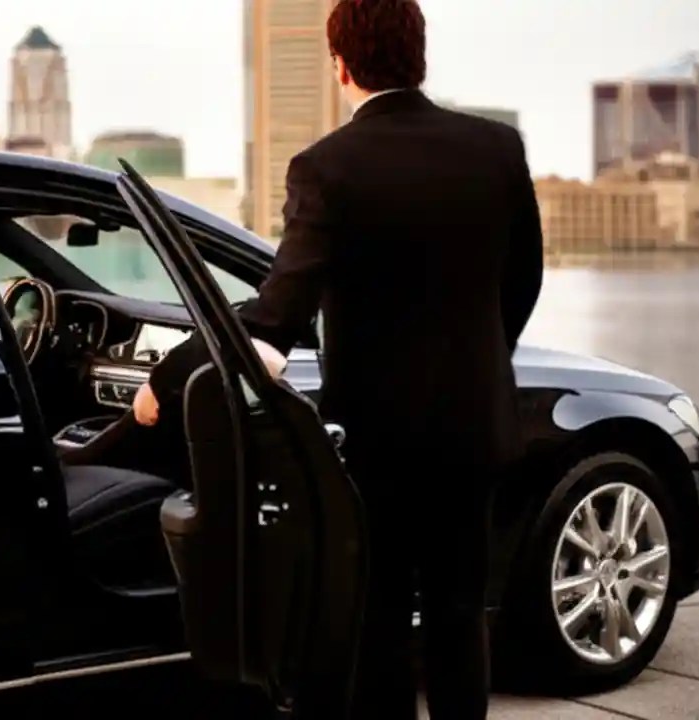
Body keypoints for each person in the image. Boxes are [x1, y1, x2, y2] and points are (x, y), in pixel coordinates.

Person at [131, 0, 544, 717]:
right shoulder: (496, 149)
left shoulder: (326, 167)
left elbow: (274, 319)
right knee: (458, 613)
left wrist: (165, 381)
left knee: (378, 617)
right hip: (473, 430)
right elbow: (524, 280)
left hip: (379, 443)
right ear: (419, 56)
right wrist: (478, 361)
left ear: (340, 65)